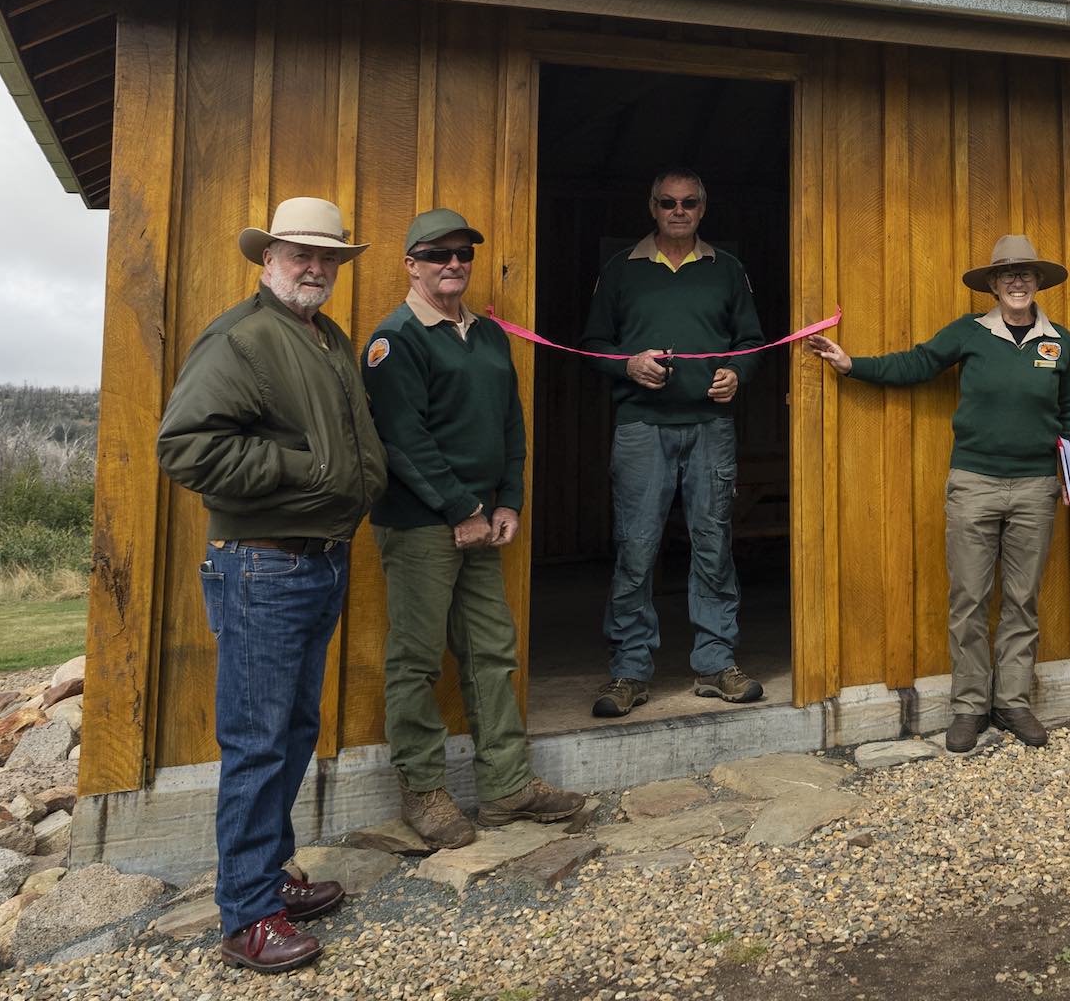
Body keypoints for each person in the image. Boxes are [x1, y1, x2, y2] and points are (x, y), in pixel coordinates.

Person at [156, 197, 388, 974]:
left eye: (326, 258)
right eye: (299, 255)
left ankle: (268, 879)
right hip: (261, 564)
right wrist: (311, 472)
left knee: (290, 733)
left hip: (315, 560)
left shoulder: (322, 336)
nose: (315, 268)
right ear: (268, 260)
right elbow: (187, 448)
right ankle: (247, 916)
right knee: (257, 743)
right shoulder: (243, 338)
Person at [806, 234, 1070, 753]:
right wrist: (853, 365)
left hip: (1034, 488)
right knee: (969, 599)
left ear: (1039, 282)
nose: (1017, 282)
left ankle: (1014, 703)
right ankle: (969, 706)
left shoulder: (1059, 342)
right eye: (1007, 275)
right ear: (994, 286)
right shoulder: (971, 333)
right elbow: (916, 364)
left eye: (1026, 274)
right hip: (974, 484)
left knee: (1022, 600)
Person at [361, 208, 586, 850]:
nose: (453, 263)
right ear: (411, 264)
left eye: (463, 253)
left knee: (492, 649)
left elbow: (511, 425)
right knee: (417, 658)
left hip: (483, 521)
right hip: (422, 525)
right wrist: (461, 509)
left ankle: (508, 786)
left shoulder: (487, 336)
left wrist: (507, 501)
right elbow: (404, 440)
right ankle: (424, 791)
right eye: (437, 254)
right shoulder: (394, 340)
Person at [579, 169, 767, 716]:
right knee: (636, 548)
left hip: (711, 427)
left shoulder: (727, 270)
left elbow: (752, 340)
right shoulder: (621, 271)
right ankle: (630, 670)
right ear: (653, 207)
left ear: (703, 209)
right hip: (641, 427)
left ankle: (715, 663)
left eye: (689, 202)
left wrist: (738, 373)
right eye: (668, 202)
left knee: (713, 545)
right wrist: (628, 365)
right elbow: (593, 343)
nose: (678, 210)